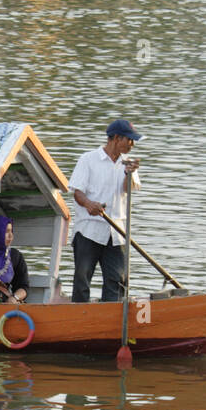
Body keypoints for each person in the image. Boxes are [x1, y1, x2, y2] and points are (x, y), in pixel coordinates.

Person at [69, 119, 142, 303]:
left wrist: (129, 174)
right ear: (116, 138)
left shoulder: (128, 163)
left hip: (116, 231)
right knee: (82, 277)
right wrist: (89, 204)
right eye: (129, 140)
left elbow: (127, 190)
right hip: (89, 229)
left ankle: (112, 320)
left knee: (117, 279)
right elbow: (77, 192)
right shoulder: (88, 159)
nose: (132, 145)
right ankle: (79, 318)